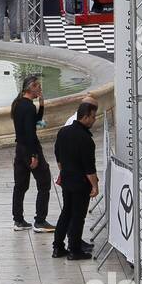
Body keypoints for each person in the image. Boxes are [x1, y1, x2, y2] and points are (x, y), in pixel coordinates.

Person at [53, 101, 100, 260]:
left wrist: (66, 171)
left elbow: (58, 158)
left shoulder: (63, 132)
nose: (95, 120)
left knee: (66, 213)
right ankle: (74, 249)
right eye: (93, 117)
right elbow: (89, 168)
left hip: (67, 180)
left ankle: (58, 247)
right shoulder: (86, 139)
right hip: (80, 184)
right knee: (78, 216)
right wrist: (95, 185)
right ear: (85, 117)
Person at [11, 75, 56, 233]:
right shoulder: (28, 107)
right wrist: (34, 155)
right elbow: (30, 132)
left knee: (20, 185)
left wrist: (41, 105)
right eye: (39, 87)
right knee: (44, 183)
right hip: (30, 149)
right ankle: (40, 221)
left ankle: (18, 220)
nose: (40, 90)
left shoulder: (17, 104)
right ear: (31, 87)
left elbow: (34, 121)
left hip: (20, 149)